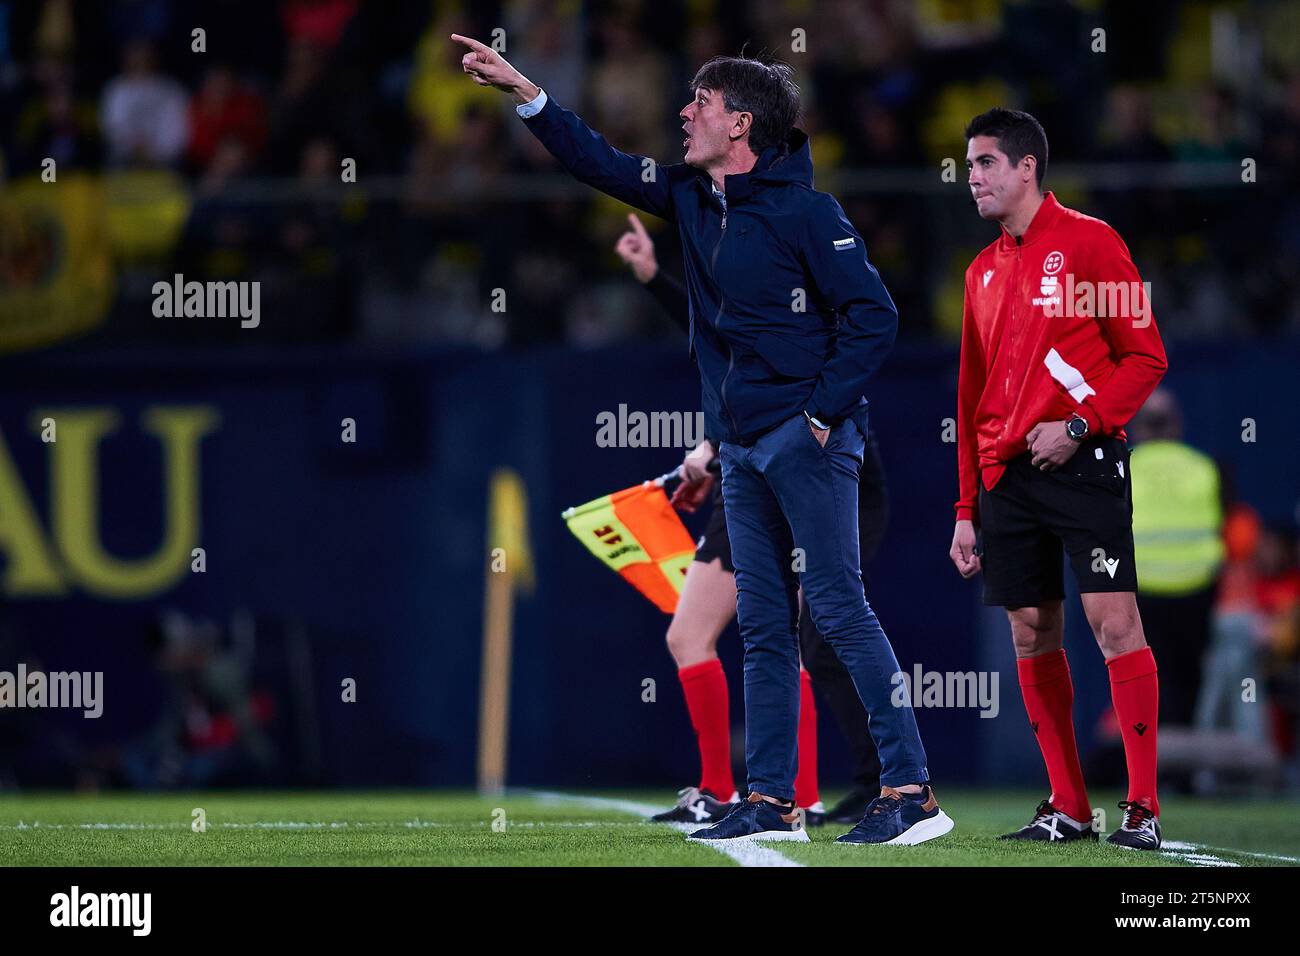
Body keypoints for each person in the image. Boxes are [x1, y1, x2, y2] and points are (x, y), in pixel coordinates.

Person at [453, 35, 950, 846]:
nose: (684, 113)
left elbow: (876, 317)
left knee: (838, 608)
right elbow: (597, 162)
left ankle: (911, 791)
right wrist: (524, 90)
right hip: (744, 446)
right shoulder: (691, 195)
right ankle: (771, 798)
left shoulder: (807, 211)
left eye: (702, 103)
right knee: (761, 626)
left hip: (810, 441)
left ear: (740, 124)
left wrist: (821, 415)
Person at [615, 213, 887, 826]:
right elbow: (711, 331)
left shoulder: (804, 308)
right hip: (743, 480)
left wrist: (710, 451)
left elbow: (789, 390)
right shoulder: (741, 308)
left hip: (797, 478)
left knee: (789, 642)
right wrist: (655, 275)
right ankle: (723, 789)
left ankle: (806, 793)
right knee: (695, 636)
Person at [949, 108, 1169, 849]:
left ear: (1025, 169)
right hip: (1007, 479)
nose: (970, 176)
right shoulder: (981, 270)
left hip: (1084, 466)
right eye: (969, 164)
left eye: (983, 163)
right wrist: (964, 506)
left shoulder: (1092, 242)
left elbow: (1145, 357)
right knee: (1029, 630)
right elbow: (970, 397)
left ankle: (1141, 809)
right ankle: (1069, 808)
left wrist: (1079, 426)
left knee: (1113, 626)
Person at [1128, 388, 1224, 726]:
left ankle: (1154, 766)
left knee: (1144, 678)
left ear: (1138, 428)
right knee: (1189, 679)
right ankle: (1184, 768)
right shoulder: (1204, 468)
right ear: (1177, 426)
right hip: (1196, 591)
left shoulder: (1124, 468)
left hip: (1143, 592)